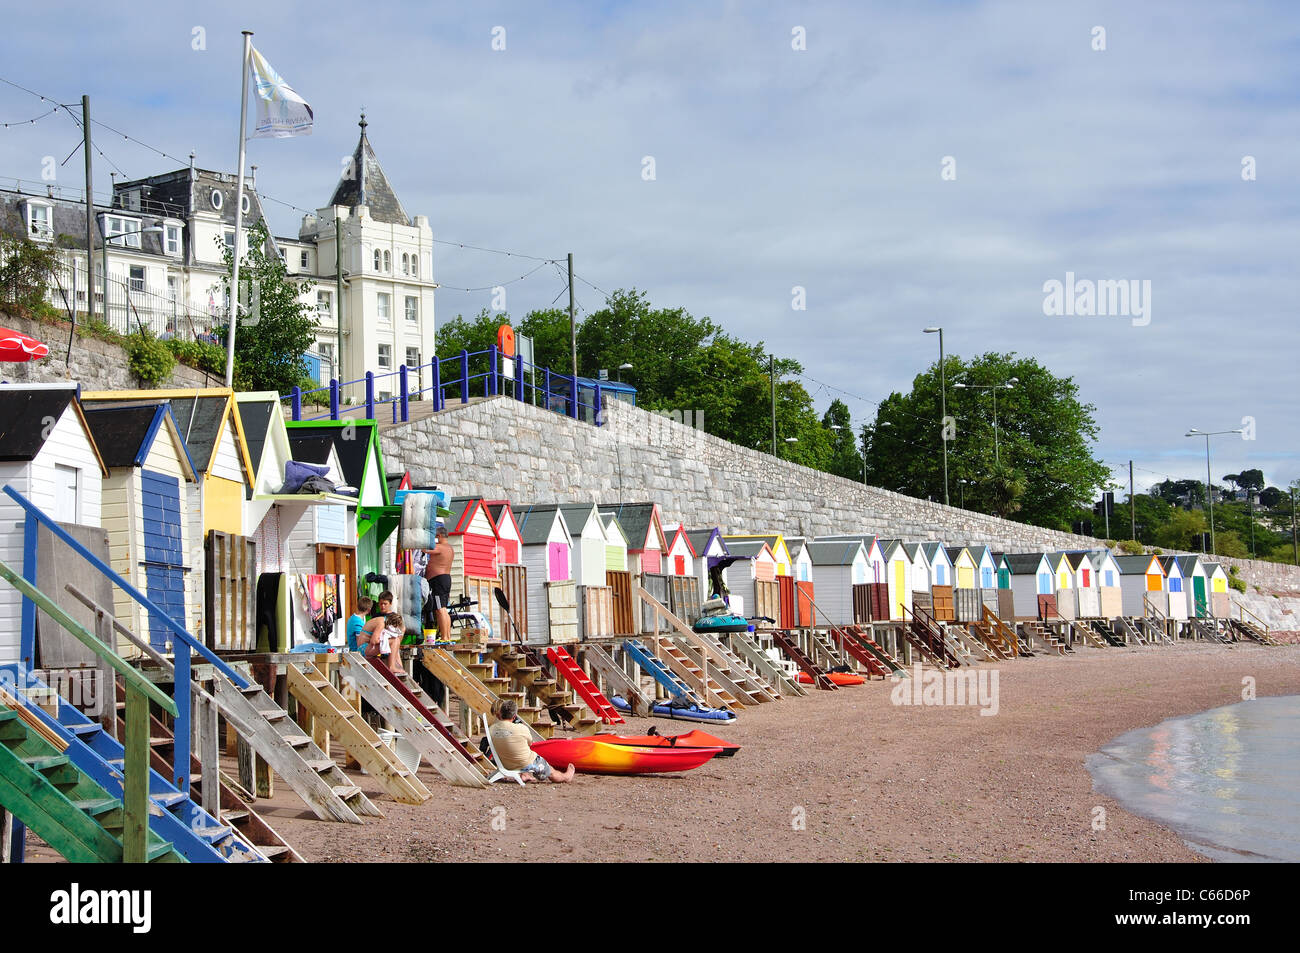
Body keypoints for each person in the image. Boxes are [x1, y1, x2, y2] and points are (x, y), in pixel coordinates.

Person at [489, 700, 574, 783]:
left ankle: (524, 775)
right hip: (525, 763)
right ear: (514, 716)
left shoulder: (491, 729)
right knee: (551, 771)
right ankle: (566, 777)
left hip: (504, 764)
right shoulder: (521, 728)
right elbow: (530, 743)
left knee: (517, 748)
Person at [422, 526, 454, 641]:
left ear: (439, 536)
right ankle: (448, 635)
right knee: (444, 608)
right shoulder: (449, 548)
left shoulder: (441, 547)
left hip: (438, 580)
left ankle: (445, 637)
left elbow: (425, 549)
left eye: (435, 537)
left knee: (440, 609)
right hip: (445, 579)